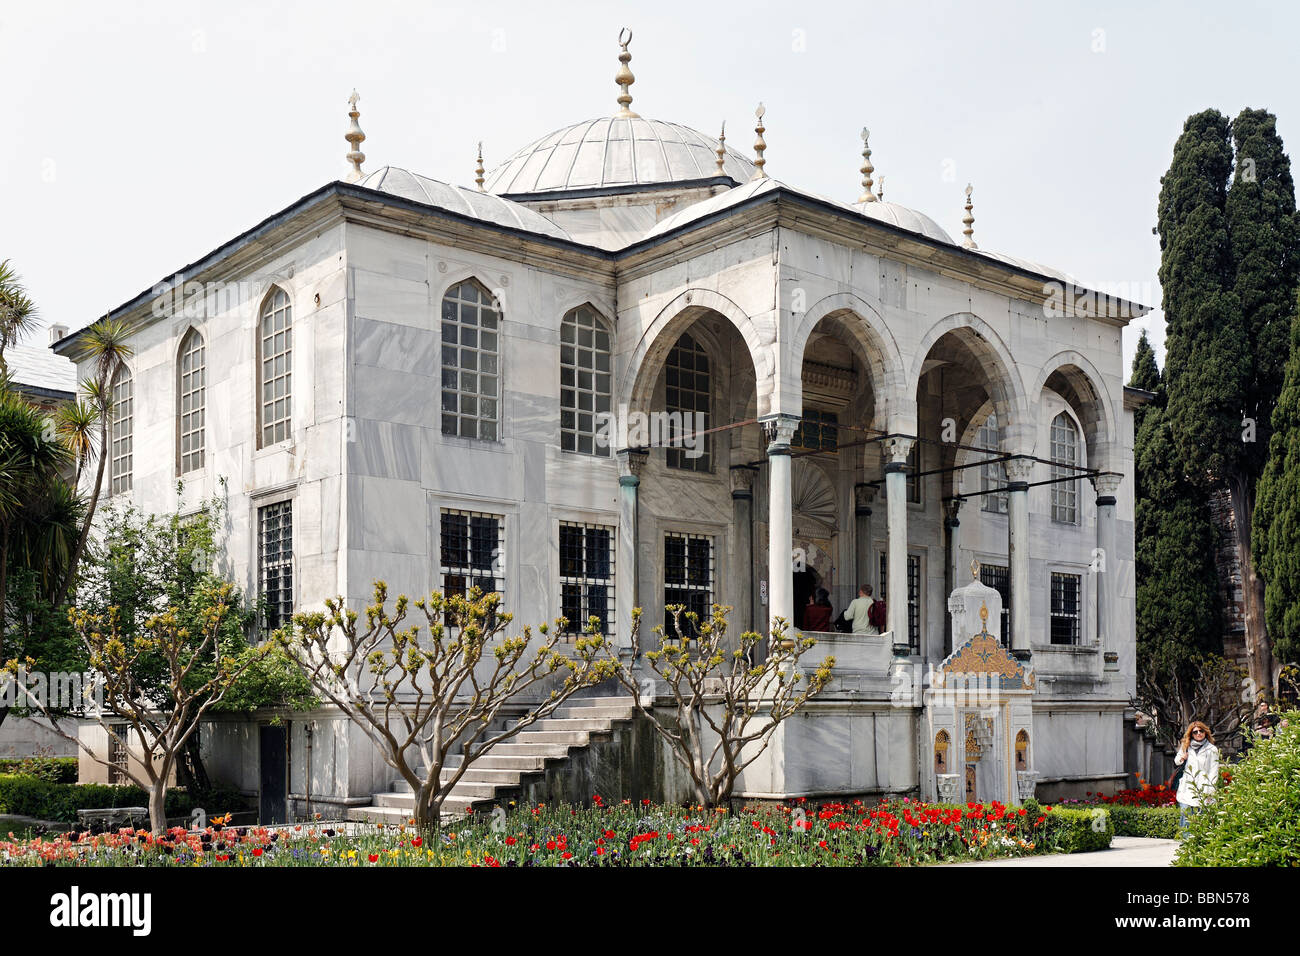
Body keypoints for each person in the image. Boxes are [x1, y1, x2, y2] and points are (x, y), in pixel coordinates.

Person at [1173, 721, 1220, 831]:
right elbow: (1176, 762)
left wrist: (1210, 791)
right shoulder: (1186, 746)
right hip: (1187, 786)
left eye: (1201, 731)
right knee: (1185, 815)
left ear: (1205, 732)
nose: (1198, 733)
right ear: (1191, 734)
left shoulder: (1212, 749)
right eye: (1195, 732)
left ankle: (1199, 844)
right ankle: (1186, 842)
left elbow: (1213, 772)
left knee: (1202, 817)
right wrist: (1183, 757)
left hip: (1204, 787)